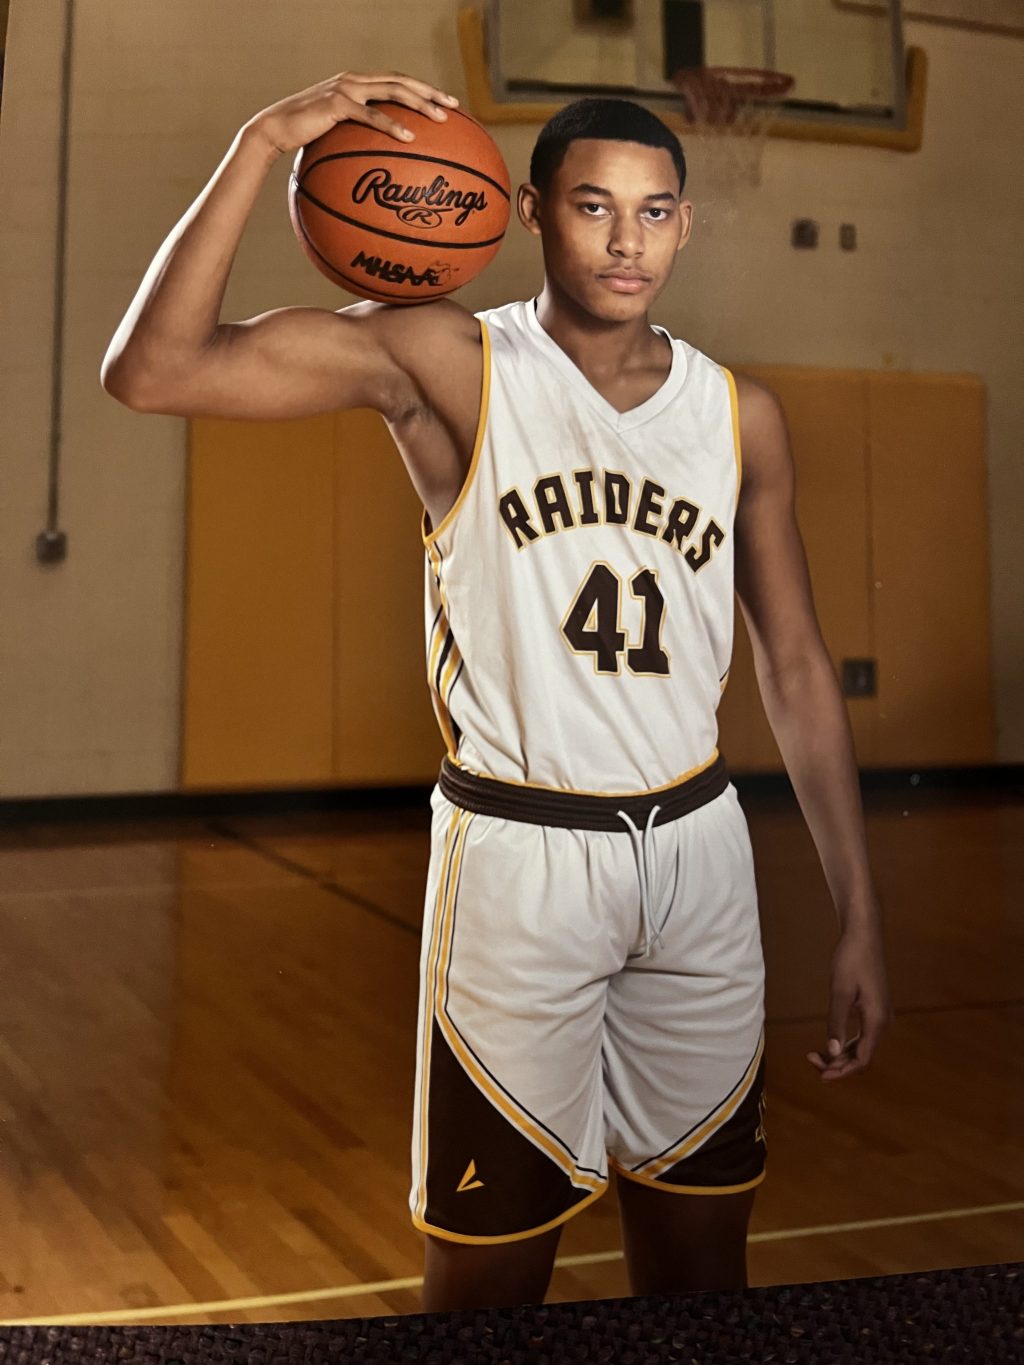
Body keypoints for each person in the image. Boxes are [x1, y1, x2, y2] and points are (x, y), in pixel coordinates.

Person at [101, 69, 893, 1313]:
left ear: (684, 223)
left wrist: (857, 909)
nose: (625, 239)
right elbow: (152, 372)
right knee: (486, 1287)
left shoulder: (742, 418)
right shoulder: (447, 359)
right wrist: (261, 144)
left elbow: (794, 666)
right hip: (521, 859)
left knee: (702, 1271)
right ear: (528, 213)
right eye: (592, 207)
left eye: (651, 211)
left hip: (699, 854)